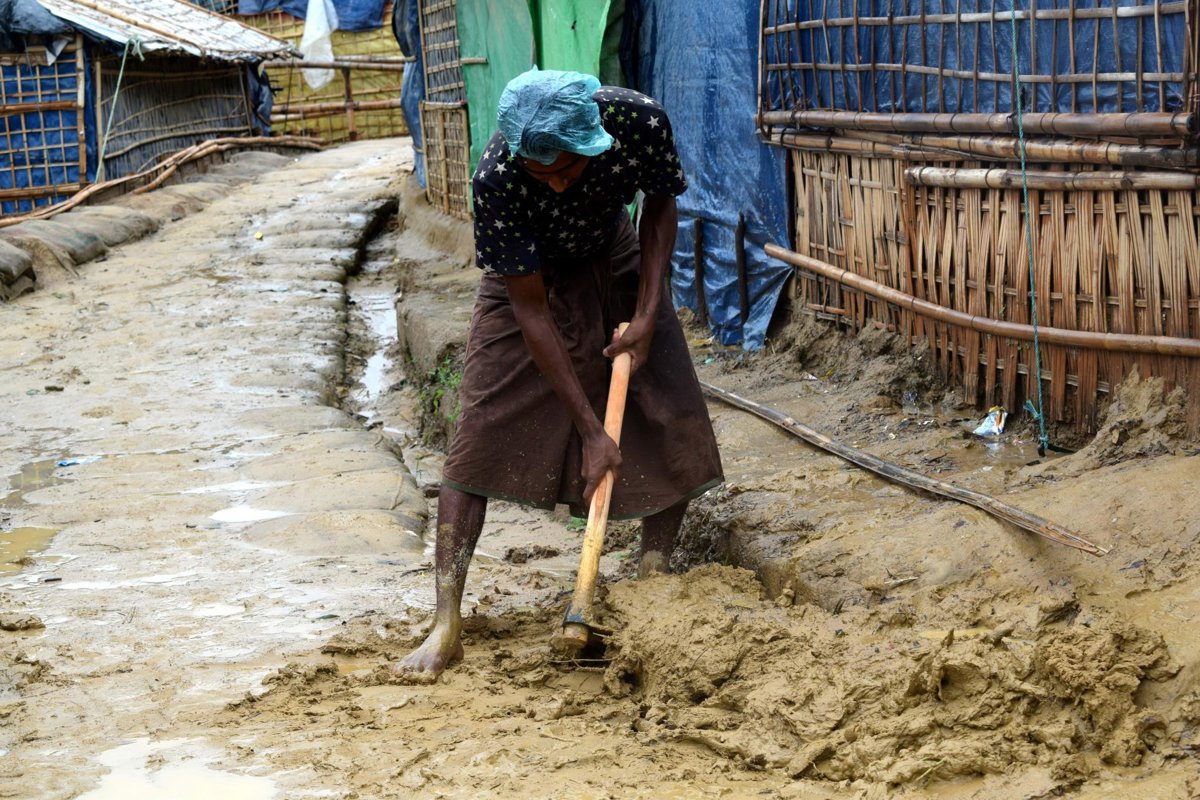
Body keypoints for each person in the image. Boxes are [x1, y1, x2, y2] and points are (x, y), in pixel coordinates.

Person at [397, 68, 723, 679]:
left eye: (568, 169)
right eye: (539, 174)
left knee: (670, 408)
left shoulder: (638, 122)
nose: (555, 184)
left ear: (594, 138)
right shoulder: (496, 177)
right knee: (477, 434)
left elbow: (659, 207)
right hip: (529, 276)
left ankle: (653, 574)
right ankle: (446, 622)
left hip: (614, 250)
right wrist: (592, 431)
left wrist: (647, 315)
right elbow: (531, 311)